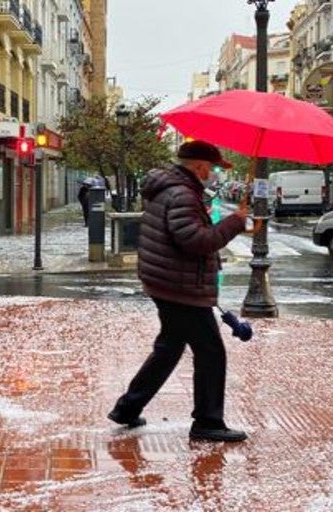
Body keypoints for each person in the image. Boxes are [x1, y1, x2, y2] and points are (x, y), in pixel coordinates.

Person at [107, 140, 250, 443]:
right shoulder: (183, 194)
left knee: (170, 347)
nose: (212, 174)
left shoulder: (174, 189)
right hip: (179, 285)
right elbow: (194, 241)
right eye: (211, 168)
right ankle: (208, 422)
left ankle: (128, 409)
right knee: (211, 351)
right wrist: (234, 222)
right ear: (199, 167)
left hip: (168, 280)